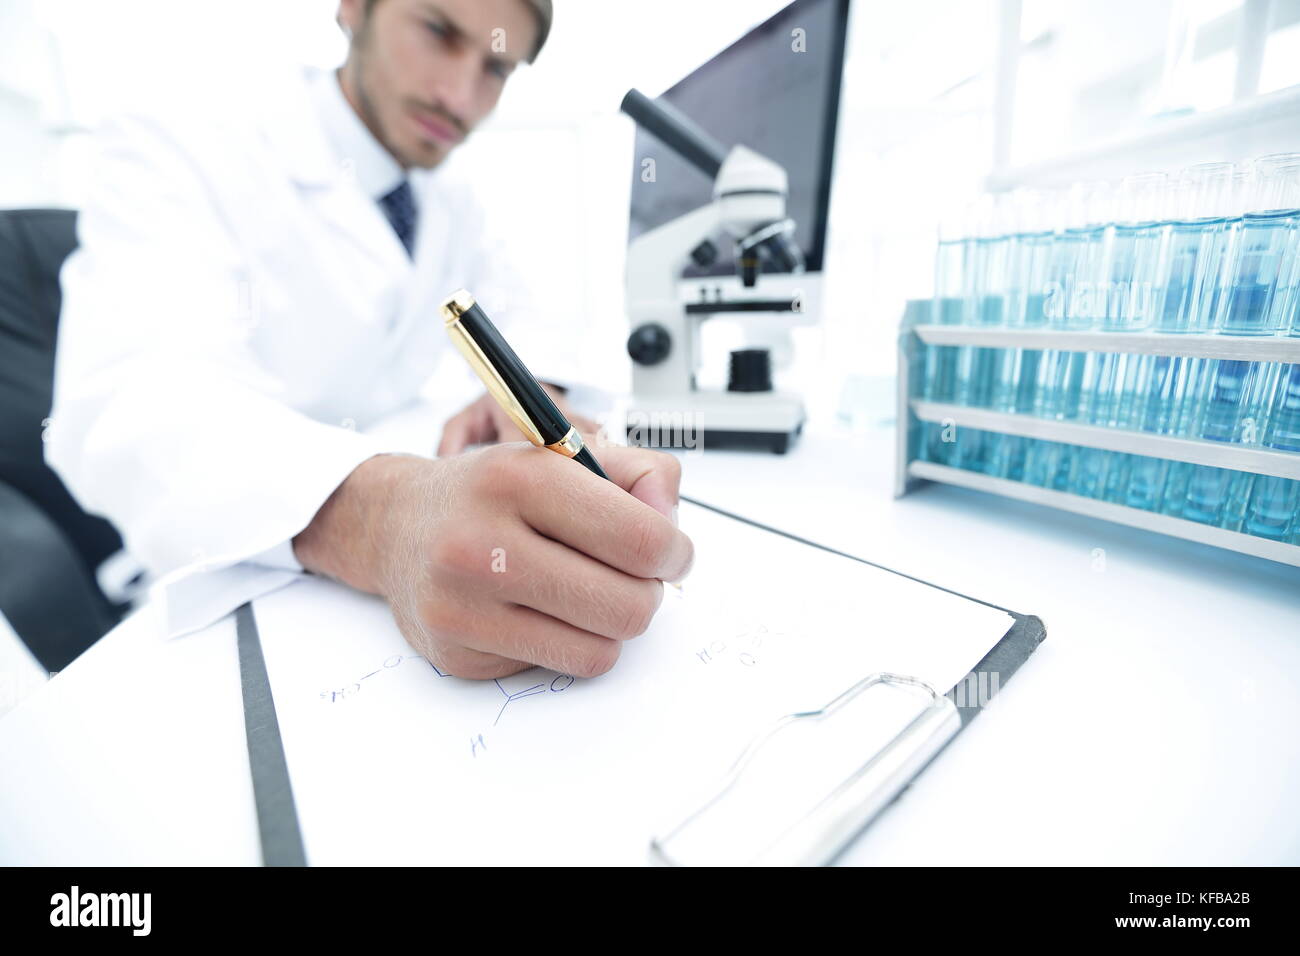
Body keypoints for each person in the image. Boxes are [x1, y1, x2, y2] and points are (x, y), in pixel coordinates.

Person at [47, 0, 694, 680]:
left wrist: (533, 396)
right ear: (353, 8)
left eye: (496, 66)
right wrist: (382, 518)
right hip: (224, 575)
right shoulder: (182, 138)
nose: (458, 96)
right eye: (439, 32)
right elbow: (133, 397)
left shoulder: (448, 197)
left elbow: (524, 316)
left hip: (399, 582)